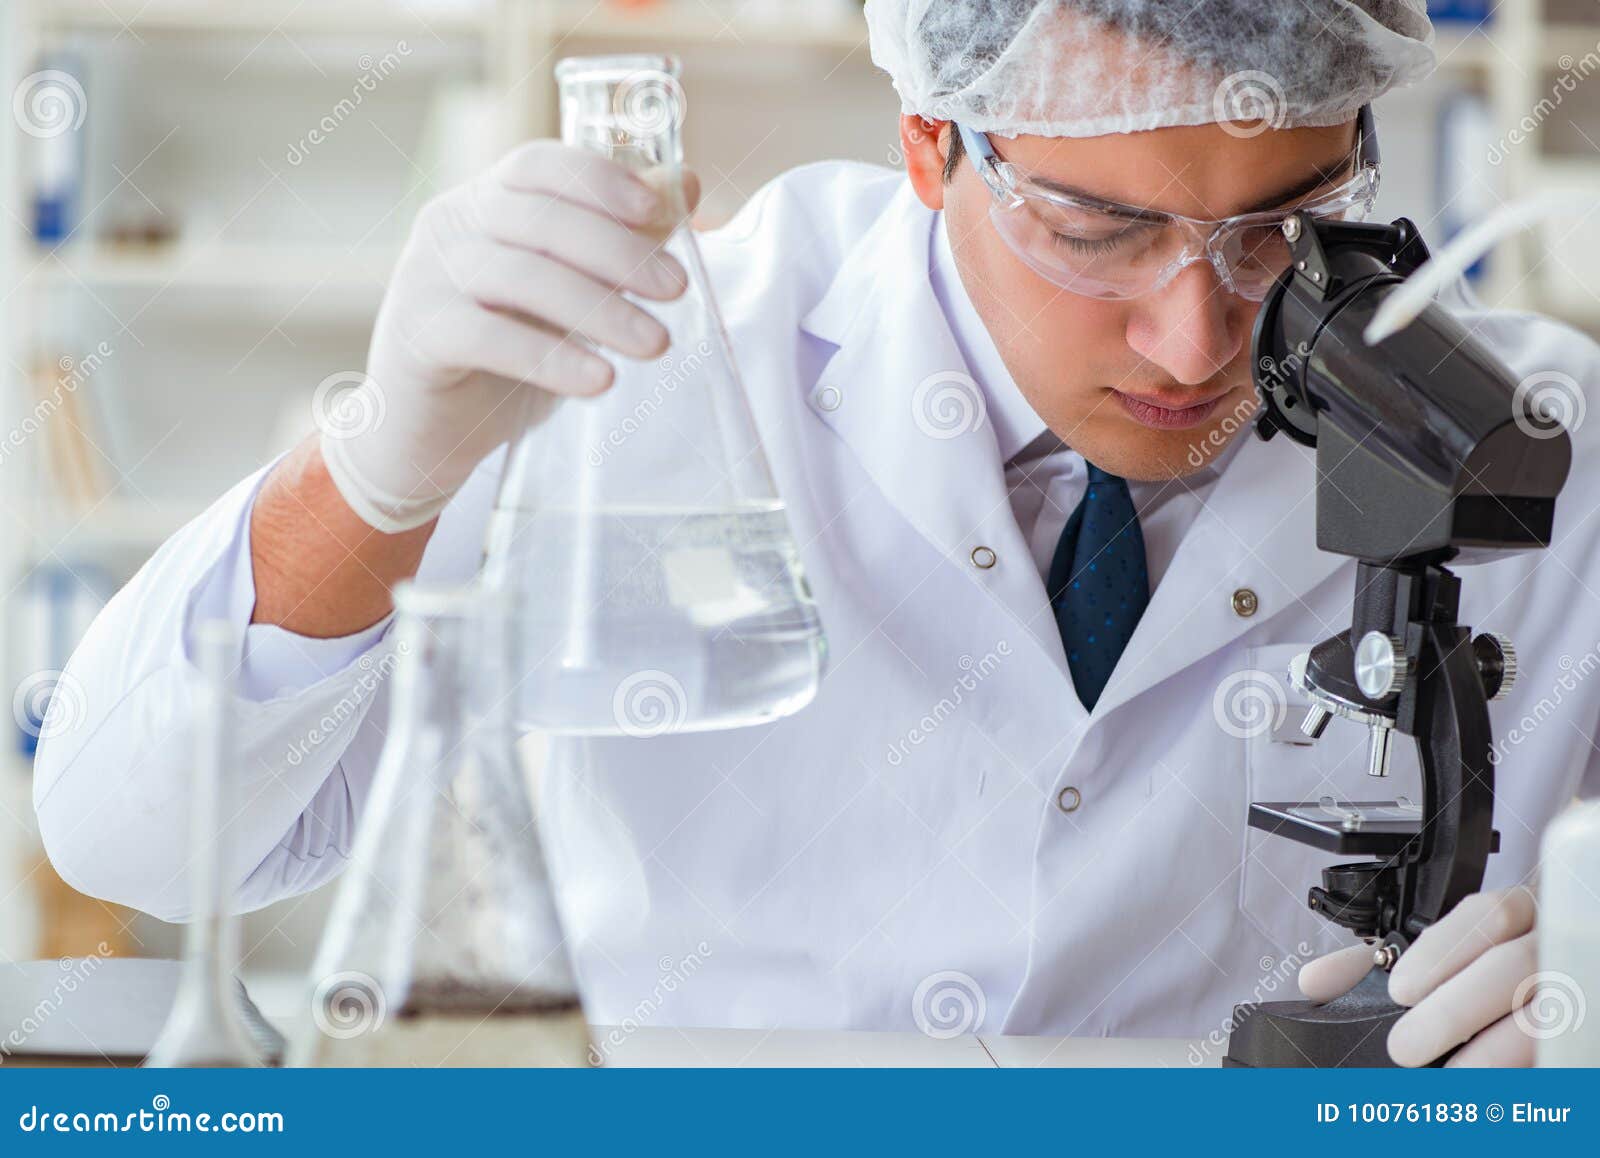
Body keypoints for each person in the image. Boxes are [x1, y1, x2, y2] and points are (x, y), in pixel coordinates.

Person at [33, 1, 1600, 1064]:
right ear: (931, 141)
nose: (1193, 335)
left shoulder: (1544, 445)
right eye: (1097, 228)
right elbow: (134, 840)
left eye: (1278, 221)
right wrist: (380, 467)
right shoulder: (640, 366)